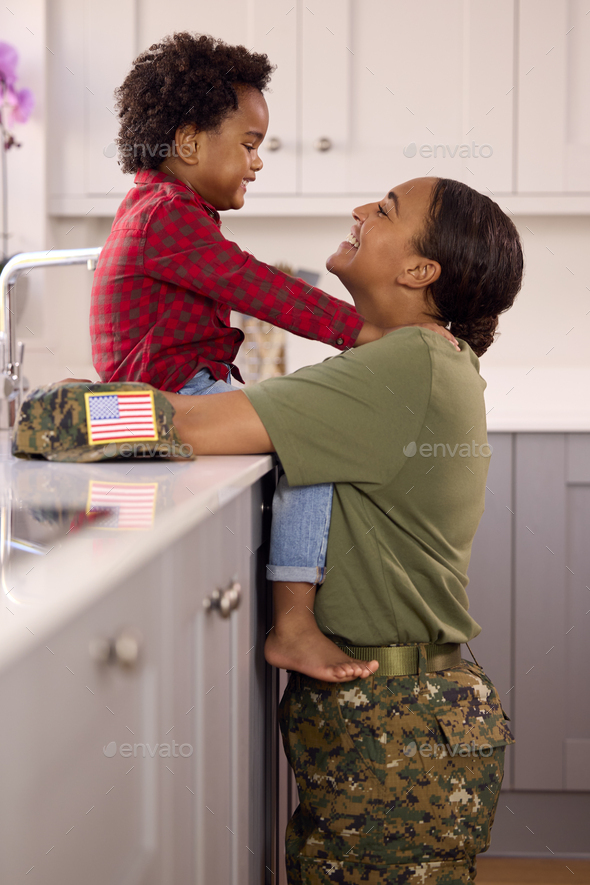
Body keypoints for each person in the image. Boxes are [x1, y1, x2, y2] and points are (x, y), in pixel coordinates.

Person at [162, 176, 523, 882]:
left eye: (384, 210)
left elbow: (189, 425)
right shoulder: (421, 360)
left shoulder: (406, 362)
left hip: (396, 732)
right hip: (402, 720)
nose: (360, 210)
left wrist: (55, 412)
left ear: (420, 271)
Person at [89, 31, 459, 683]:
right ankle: (294, 625)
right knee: (311, 443)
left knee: (304, 429)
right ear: (188, 142)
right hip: (172, 391)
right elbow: (264, 289)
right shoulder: (166, 218)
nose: (257, 164)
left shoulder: (161, 209)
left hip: (174, 386)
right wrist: (370, 334)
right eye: (251, 145)